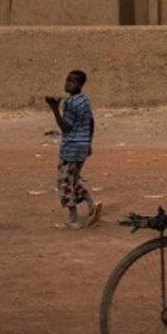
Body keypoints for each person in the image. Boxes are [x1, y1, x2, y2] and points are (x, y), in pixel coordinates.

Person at [45, 70, 103, 229]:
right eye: (67, 80)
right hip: (82, 146)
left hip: (70, 148)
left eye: (72, 82)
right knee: (74, 178)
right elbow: (91, 122)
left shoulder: (70, 103)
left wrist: (54, 108)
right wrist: (89, 143)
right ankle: (92, 205)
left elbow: (65, 128)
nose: (68, 84)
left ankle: (73, 219)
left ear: (80, 84)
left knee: (64, 182)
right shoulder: (84, 100)